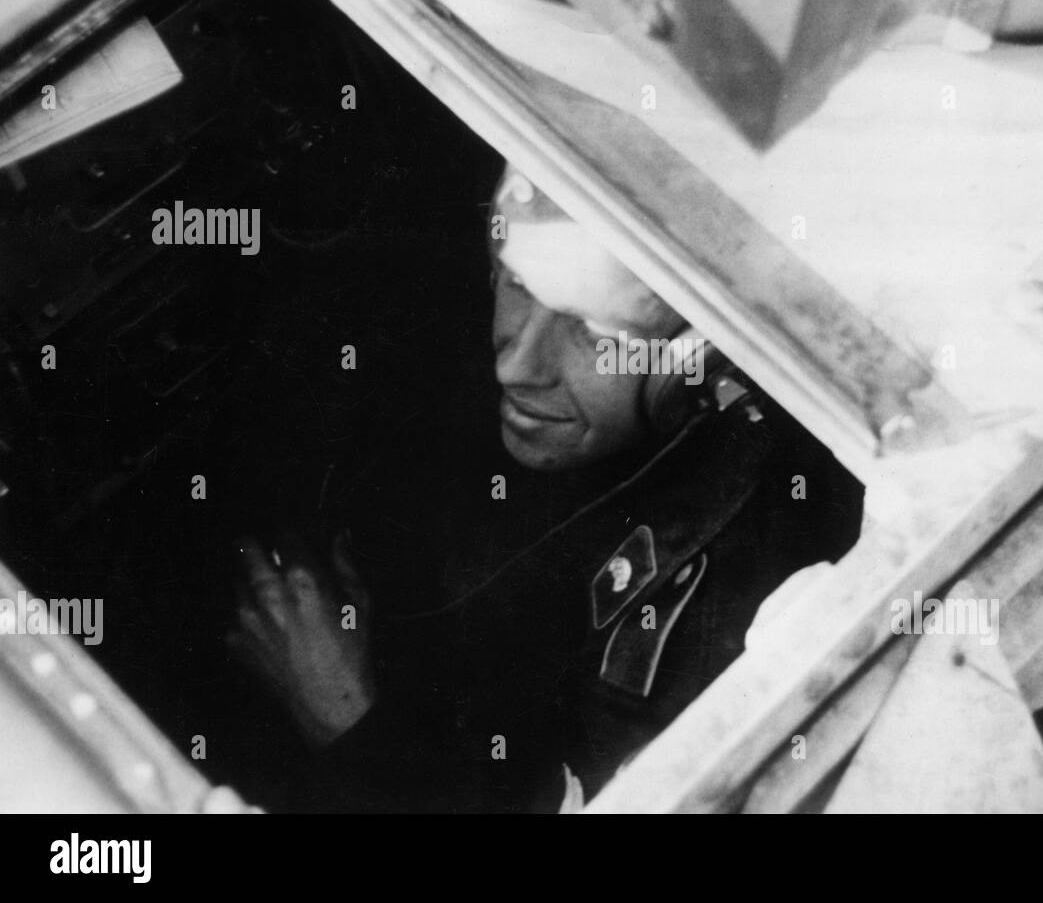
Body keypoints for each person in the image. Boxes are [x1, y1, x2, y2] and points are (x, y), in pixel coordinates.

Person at [226, 164, 863, 811]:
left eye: (591, 333)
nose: (516, 364)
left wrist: (347, 720)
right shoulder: (487, 321)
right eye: (518, 284)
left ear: (689, 365)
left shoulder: (713, 617)